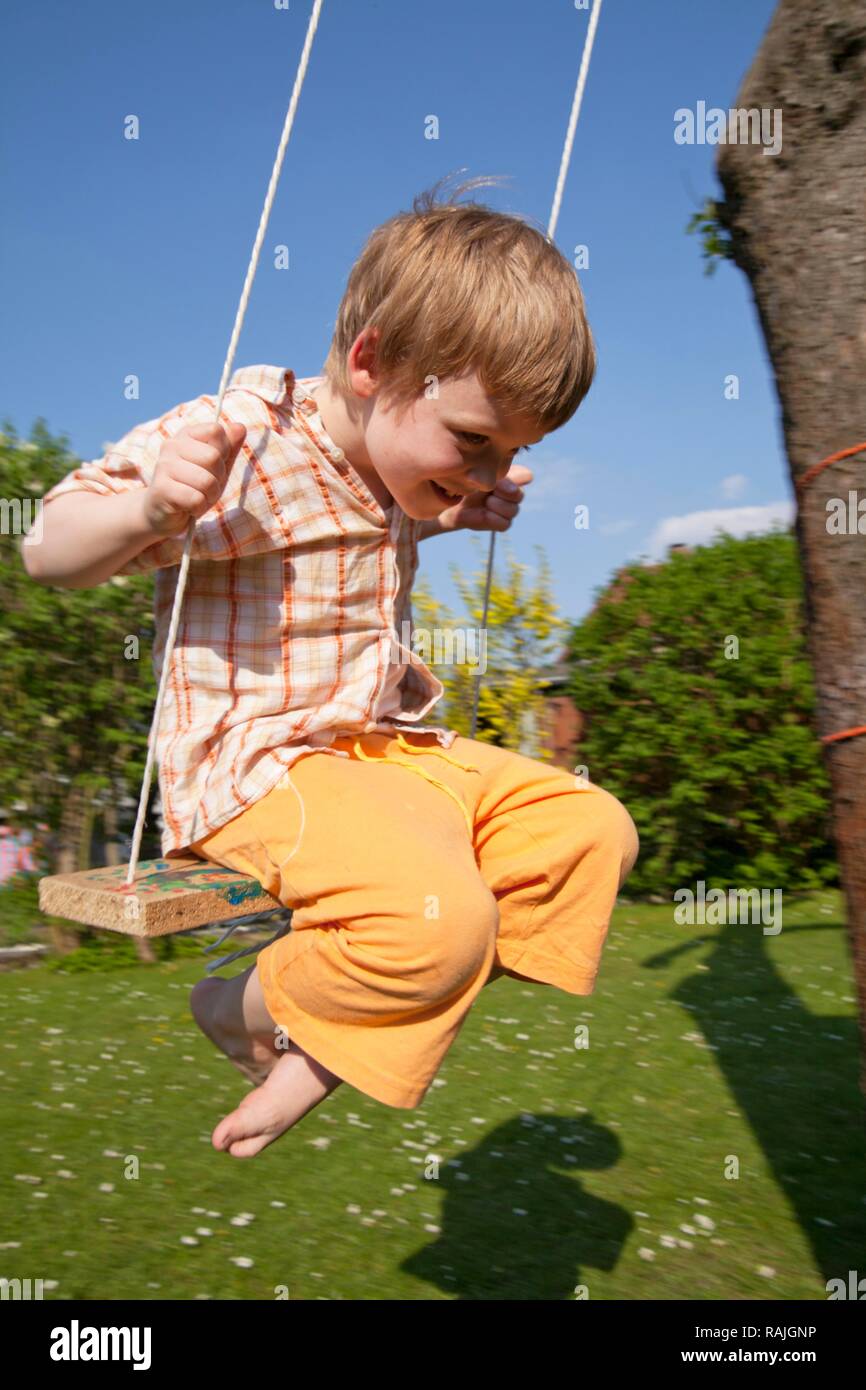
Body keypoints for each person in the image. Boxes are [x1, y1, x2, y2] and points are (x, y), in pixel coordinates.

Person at [22, 177, 639, 1159]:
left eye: (507, 453)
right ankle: (249, 1012)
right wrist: (148, 511)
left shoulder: (389, 470)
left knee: (584, 832)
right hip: (257, 767)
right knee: (437, 924)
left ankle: (311, 1020)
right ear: (370, 362)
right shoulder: (239, 444)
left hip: (378, 751)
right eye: (474, 442)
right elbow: (42, 546)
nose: (487, 472)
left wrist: (446, 514)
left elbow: (341, 539)